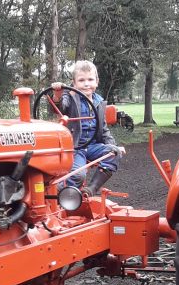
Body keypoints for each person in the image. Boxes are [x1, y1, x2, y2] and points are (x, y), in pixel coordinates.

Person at [51, 60, 125, 195]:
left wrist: (114, 146)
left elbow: (103, 129)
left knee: (114, 153)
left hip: (92, 146)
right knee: (78, 175)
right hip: (75, 147)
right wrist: (57, 95)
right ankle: (61, 196)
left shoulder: (99, 102)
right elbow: (61, 107)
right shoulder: (70, 97)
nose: (86, 84)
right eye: (81, 80)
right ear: (74, 83)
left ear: (97, 81)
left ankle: (90, 189)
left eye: (90, 79)